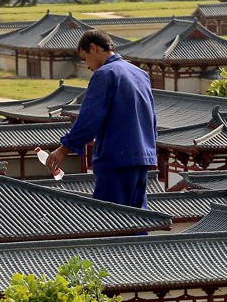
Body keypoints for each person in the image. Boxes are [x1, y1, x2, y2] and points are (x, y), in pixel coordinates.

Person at [46, 30, 157, 209]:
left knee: (109, 221)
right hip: (143, 159)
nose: (87, 66)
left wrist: (64, 149)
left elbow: (90, 119)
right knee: (138, 220)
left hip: (116, 159)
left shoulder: (105, 74)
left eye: (84, 58)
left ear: (93, 47)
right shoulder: (140, 74)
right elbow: (152, 119)